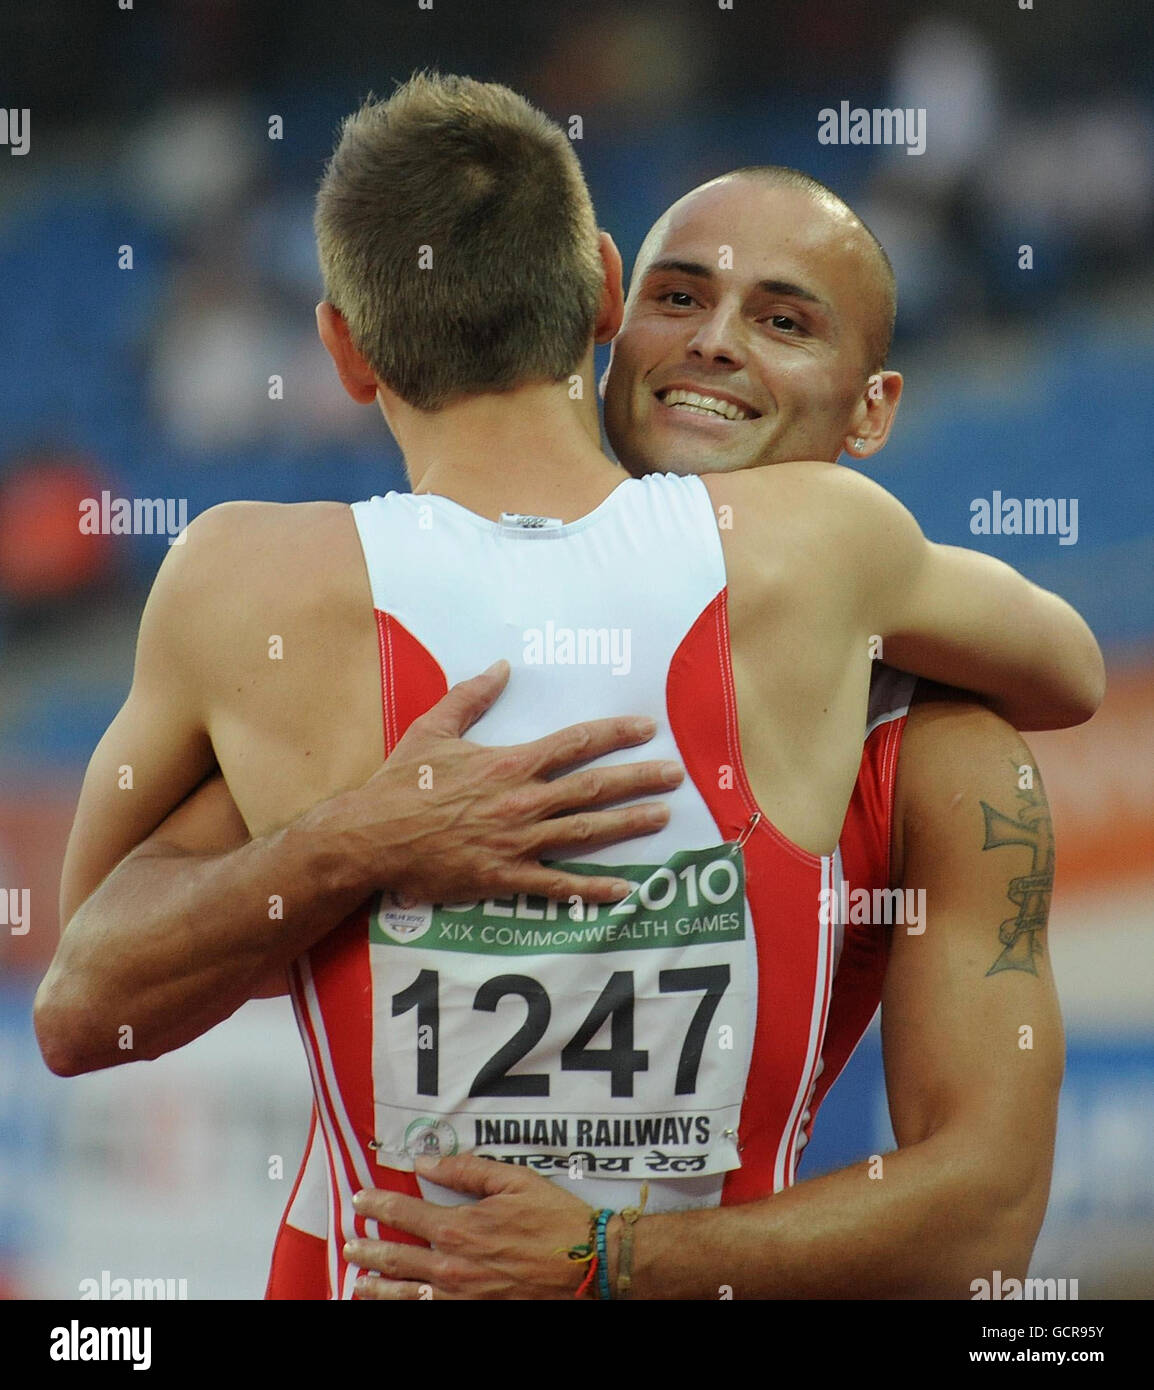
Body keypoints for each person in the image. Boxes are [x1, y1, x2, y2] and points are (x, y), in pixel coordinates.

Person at [35, 77, 1097, 1299]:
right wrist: (351, 839)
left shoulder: (928, 722)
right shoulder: (836, 549)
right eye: (681, 297)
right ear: (605, 297)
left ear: (338, 347)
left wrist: (609, 1259)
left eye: (783, 323)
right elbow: (88, 998)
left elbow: (985, 1225)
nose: (714, 343)